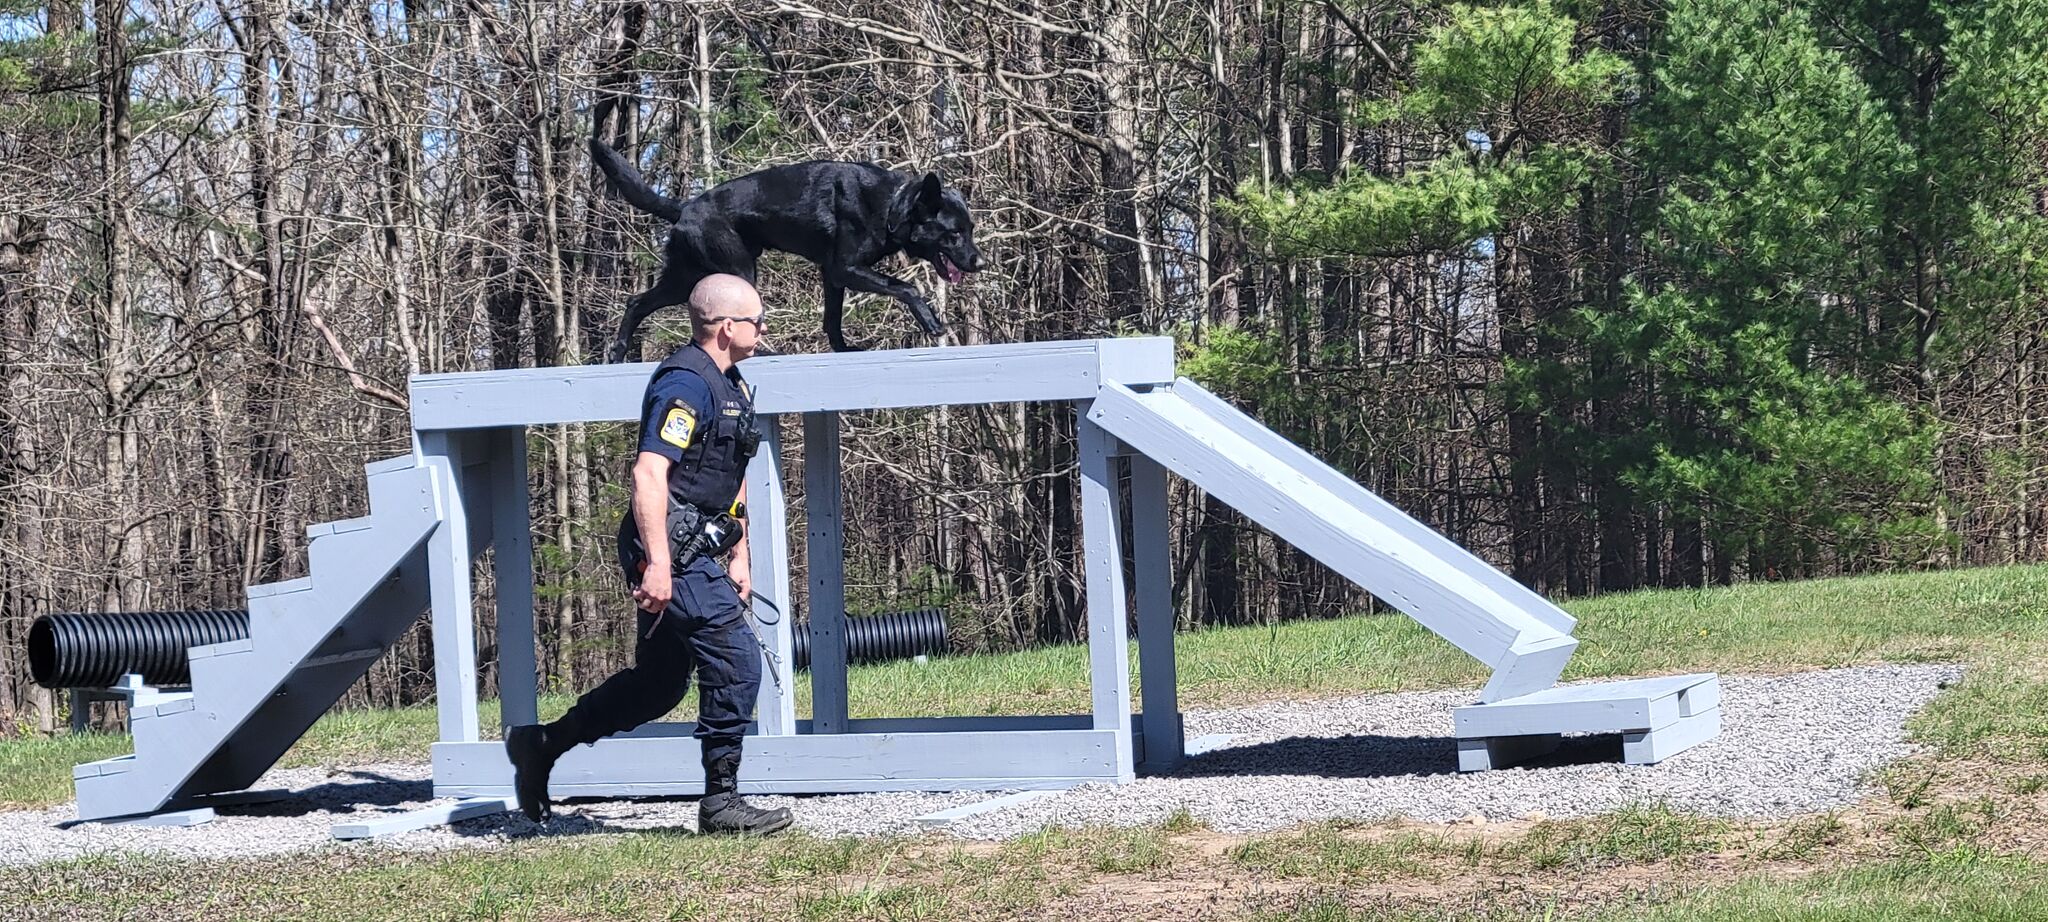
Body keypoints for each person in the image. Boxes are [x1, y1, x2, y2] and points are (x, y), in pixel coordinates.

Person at [504, 273, 791, 836]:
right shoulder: (684, 384)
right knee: (736, 659)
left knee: (659, 685)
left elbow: (730, 475)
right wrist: (659, 563)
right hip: (669, 547)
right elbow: (649, 473)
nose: (764, 329)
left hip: (700, 547)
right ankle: (721, 803)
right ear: (727, 327)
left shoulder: (733, 384)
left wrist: (740, 555)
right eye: (758, 320)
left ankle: (540, 745)